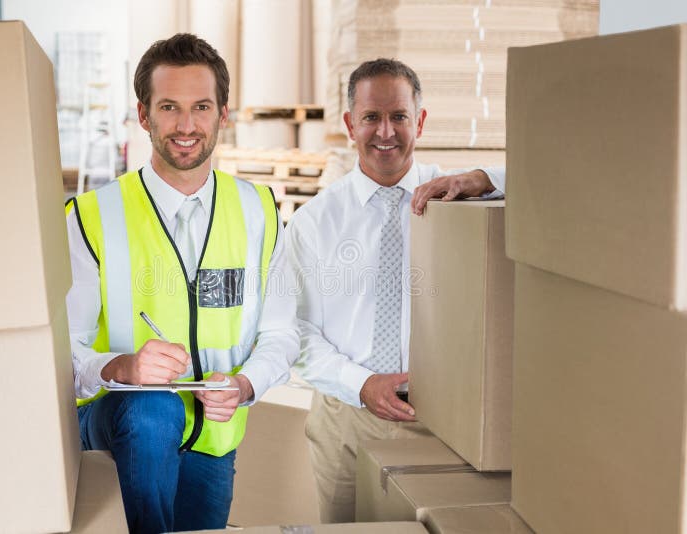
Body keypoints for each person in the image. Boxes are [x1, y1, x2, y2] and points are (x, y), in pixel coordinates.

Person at [64, 33, 299, 533]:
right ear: (144, 115)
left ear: (223, 114)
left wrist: (242, 384)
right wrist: (124, 367)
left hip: (214, 436)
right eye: (169, 107)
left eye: (201, 107)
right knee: (152, 409)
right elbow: (63, 351)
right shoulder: (91, 215)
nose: (186, 125)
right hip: (119, 429)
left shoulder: (259, 211)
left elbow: (281, 333)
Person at [285, 58, 506, 523]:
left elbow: (548, 185)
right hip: (345, 416)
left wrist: (485, 179)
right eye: (371, 117)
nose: (385, 132)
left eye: (399, 117)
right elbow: (296, 330)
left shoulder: (458, 200)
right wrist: (361, 383)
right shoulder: (315, 221)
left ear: (419, 122)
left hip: (439, 419)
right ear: (350, 124)